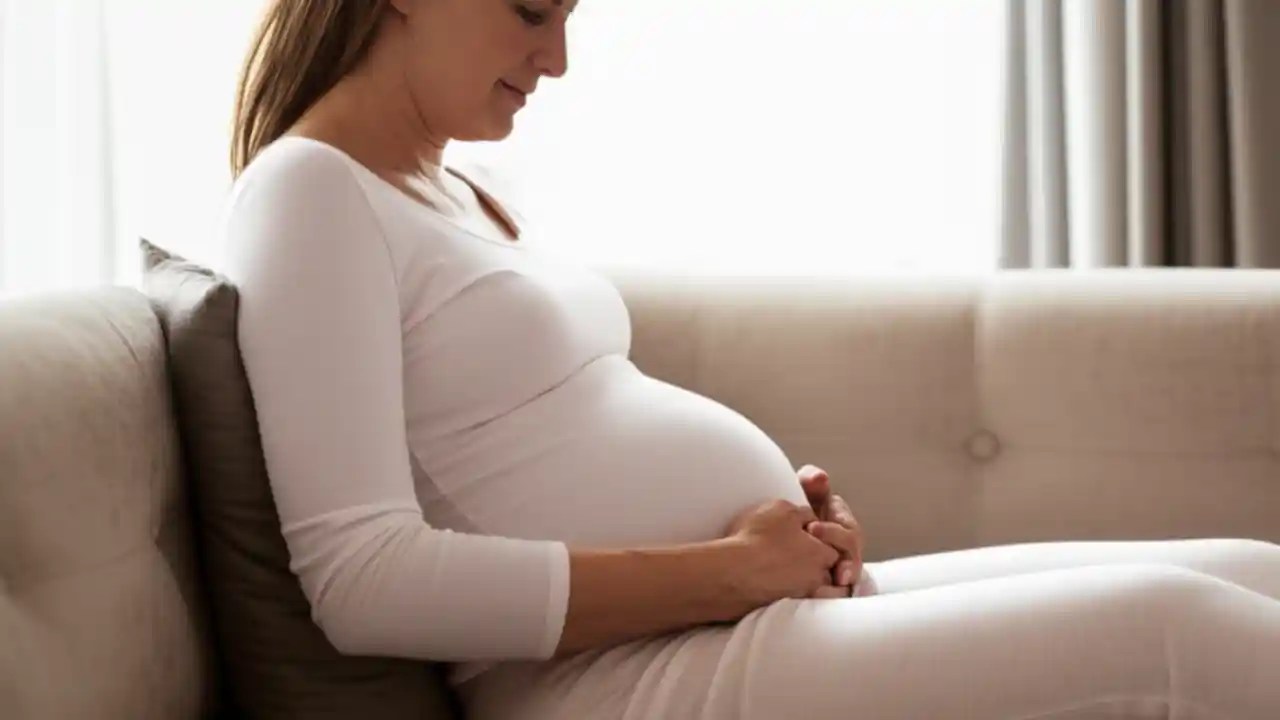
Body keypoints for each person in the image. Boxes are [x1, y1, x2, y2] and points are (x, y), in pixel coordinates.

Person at [221, 1, 1280, 717]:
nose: (555, 59)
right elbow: (363, 580)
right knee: (1176, 628)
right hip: (619, 682)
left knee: (1241, 568)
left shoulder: (447, 187)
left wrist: (798, 543)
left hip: (727, 619)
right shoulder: (308, 192)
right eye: (531, 10)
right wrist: (727, 570)